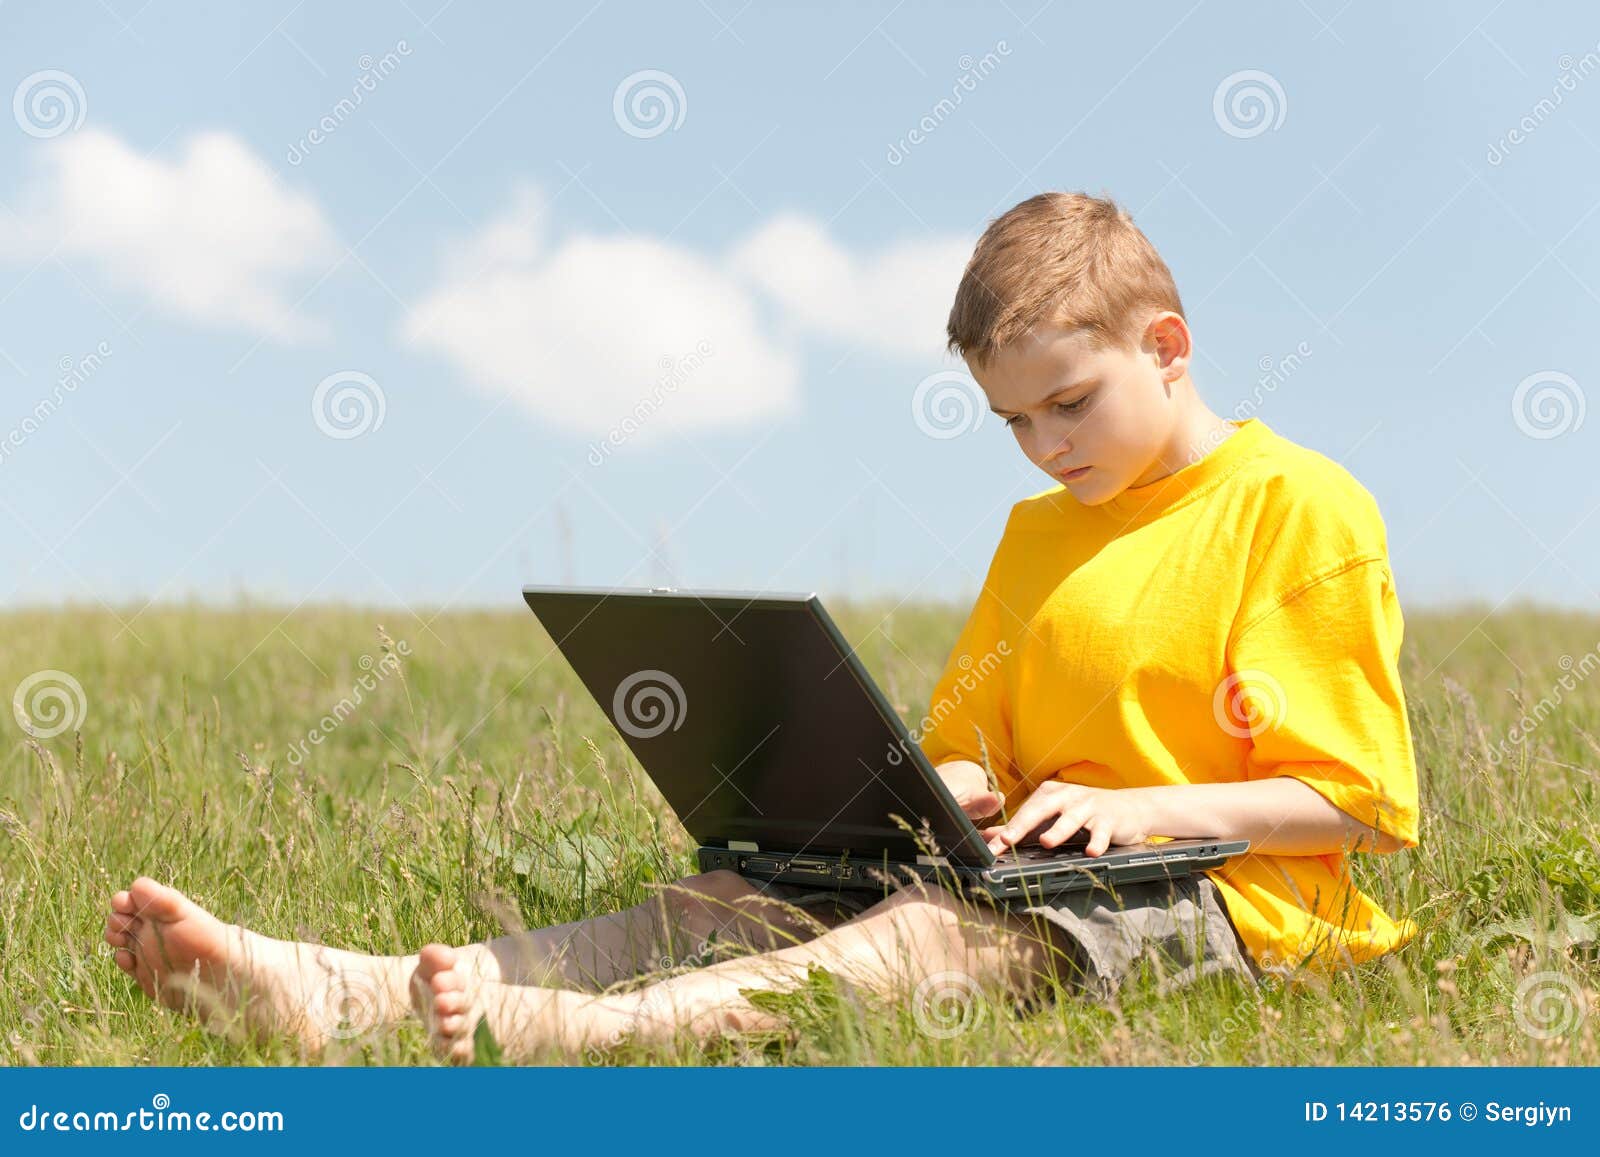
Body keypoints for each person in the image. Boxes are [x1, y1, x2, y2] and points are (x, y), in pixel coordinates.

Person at [104, 190, 1420, 1064]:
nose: (1043, 445)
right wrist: (936, 795)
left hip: (1225, 902)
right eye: (1013, 421)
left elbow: (1355, 803)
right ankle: (345, 988)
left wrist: (1147, 814)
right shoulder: (1041, 533)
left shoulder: (1297, 506)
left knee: (913, 939)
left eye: (1068, 404)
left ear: (1170, 345)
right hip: (1039, 864)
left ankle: (561, 1033)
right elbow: (974, 752)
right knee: (725, 896)